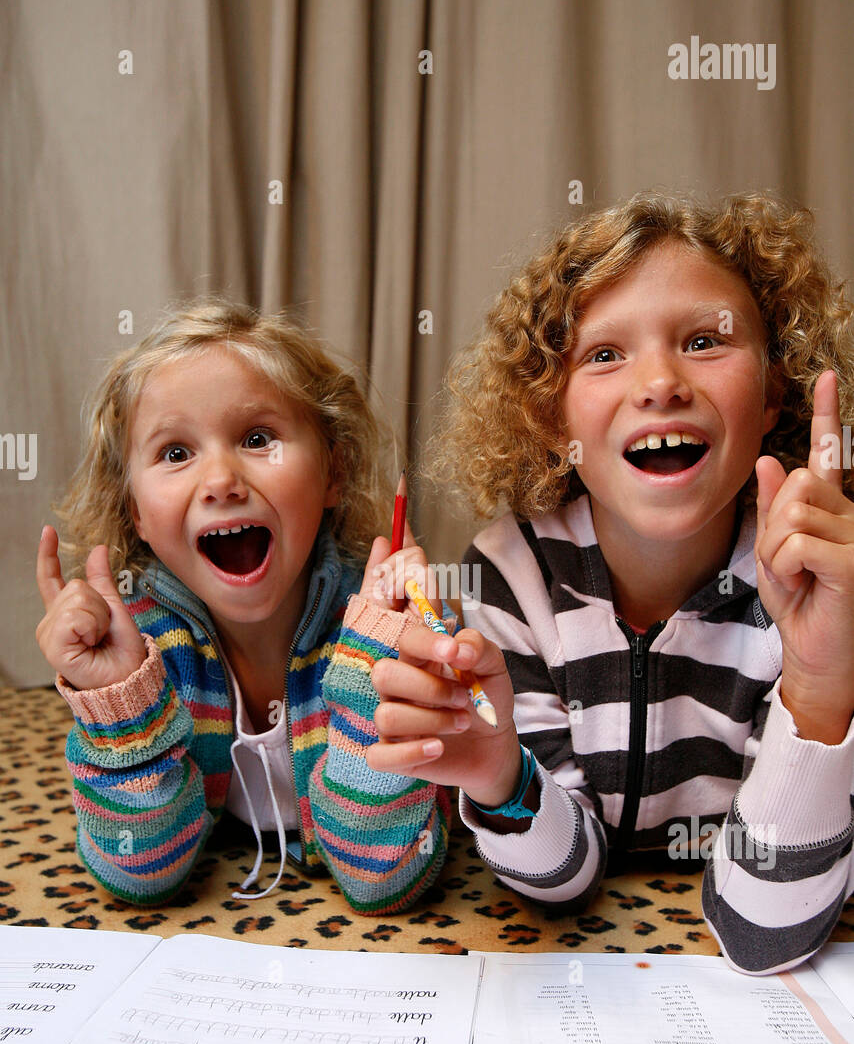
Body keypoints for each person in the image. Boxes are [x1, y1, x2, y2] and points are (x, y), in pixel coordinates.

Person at [368, 190, 854, 974]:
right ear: (552, 421)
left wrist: (823, 685)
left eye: (704, 341)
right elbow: (564, 882)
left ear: (773, 395)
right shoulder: (511, 575)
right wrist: (500, 778)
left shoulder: (823, 592)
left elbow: (766, 931)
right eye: (604, 354)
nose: (660, 382)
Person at [35, 298, 450, 912]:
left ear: (333, 472)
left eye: (258, 439)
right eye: (176, 453)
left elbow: (384, 878)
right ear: (136, 513)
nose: (221, 480)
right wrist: (121, 705)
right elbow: (142, 877)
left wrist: (373, 676)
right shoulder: (142, 647)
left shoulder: (392, 625)